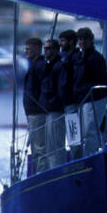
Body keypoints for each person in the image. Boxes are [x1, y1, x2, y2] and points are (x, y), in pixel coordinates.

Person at [73, 27, 107, 155]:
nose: (82, 42)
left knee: (89, 131)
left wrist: (82, 90)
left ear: (91, 40)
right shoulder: (79, 57)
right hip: (83, 99)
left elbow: (99, 80)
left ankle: (91, 156)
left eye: (84, 39)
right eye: (80, 39)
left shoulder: (96, 58)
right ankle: (84, 157)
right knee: (82, 133)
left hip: (94, 99)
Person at [22, 37, 47, 172]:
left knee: (39, 147)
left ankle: (42, 173)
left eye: (28, 49)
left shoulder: (39, 66)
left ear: (37, 49)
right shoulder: (34, 65)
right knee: (37, 146)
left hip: (37, 112)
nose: (26, 51)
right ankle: (42, 171)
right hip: (33, 112)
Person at [40, 37, 64, 170]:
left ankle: (57, 170)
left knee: (55, 145)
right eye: (45, 48)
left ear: (56, 50)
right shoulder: (49, 66)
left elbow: (59, 89)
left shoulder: (58, 66)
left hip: (56, 110)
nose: (46, 51)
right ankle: (52, 170)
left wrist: (52, 102)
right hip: (49, 110)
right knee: (49, 146)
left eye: (49, 48)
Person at [57, 29, 79, 154]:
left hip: (72, 102)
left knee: (73, 136)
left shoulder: (76, 59)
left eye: (63, 41)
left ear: (71, 42)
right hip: (64, 103)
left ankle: (76, 160)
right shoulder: (63, 58)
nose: (60, 44)